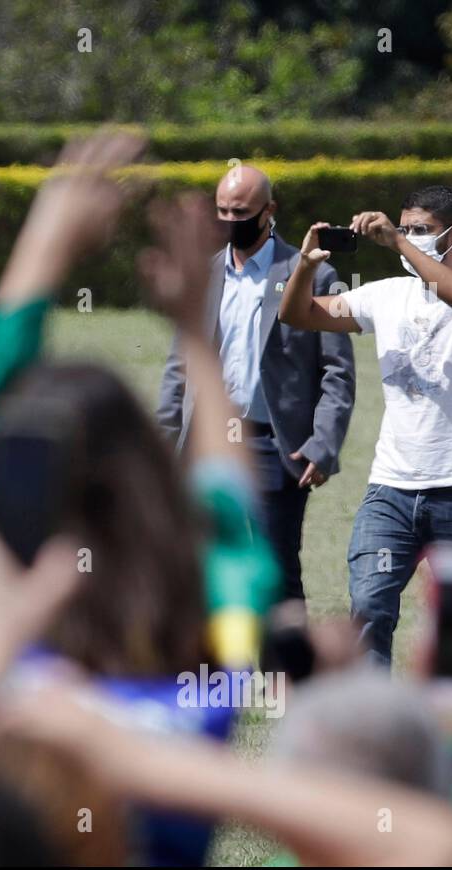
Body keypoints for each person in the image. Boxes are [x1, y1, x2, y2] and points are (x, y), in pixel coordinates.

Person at [279, 186, 452, 664]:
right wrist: (304, 265)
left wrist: (396, 243)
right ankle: (376, 730)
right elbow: (297, 314)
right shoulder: (384, 296)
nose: (409, 238)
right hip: (391, 490)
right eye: (405, 229)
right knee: (367, 608)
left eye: (421, 231)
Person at [158, 165, 355, 604]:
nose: (230, 220)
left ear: (270, 211)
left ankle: (283, 676)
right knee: (206, 574)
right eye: (222, 211)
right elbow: (180, 368)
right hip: (205, 445)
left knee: (276, 575)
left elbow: (337, 370)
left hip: (274, 445)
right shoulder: (204, 275)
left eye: (241, 211)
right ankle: (219, 674)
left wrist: (324, 443)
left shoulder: (313, 274)